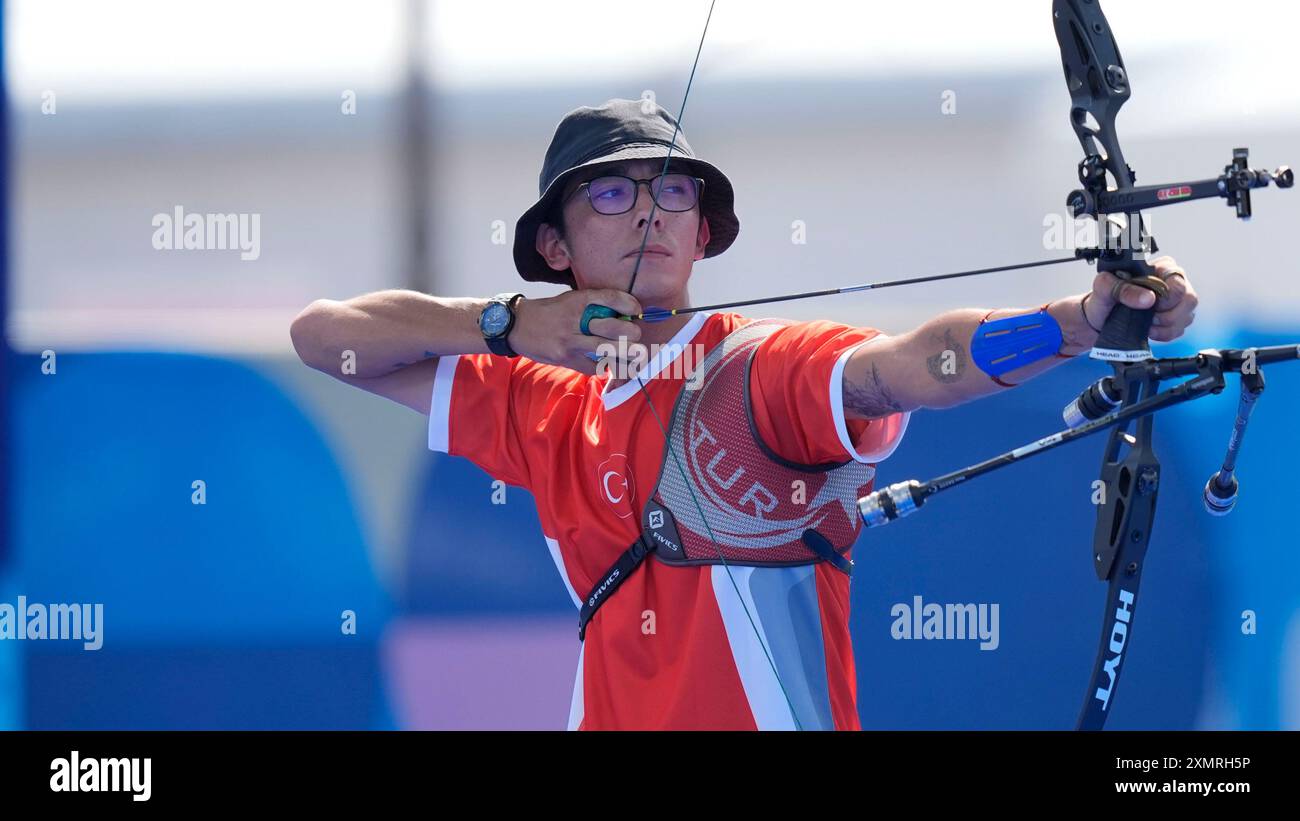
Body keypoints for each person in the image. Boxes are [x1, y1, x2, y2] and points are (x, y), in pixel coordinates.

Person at [290, 98, 1198, 730]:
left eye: (672, 190)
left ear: (700, 231)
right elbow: (324, 337)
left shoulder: (759, 369)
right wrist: (509, 322)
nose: (648, 212)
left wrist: (1075, 323)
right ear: (555, 245)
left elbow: (915, 364)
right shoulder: (544, 395)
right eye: (612, 192)